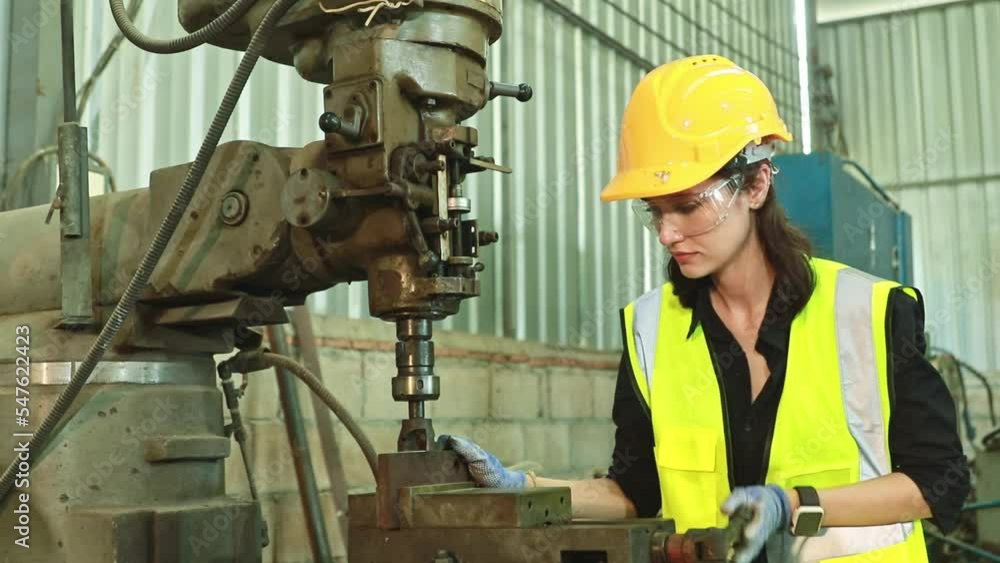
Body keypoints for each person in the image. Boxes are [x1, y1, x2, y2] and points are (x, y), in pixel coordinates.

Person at [440, 55, 969, 562]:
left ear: (757, 185)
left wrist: (795, 505)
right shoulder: (649, 329)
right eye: (656, 212)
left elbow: (938, 481)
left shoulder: (869, 312)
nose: (668, 233)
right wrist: (523, 487)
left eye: (689, 206)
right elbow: (635, 492)